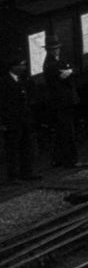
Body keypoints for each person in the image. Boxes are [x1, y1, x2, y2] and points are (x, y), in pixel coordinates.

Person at [2, 49, 40, 181]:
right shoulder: (5, 83)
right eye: (21, 65)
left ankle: (26, 172)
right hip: (11, 121)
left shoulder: (23, 80)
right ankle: (13, 176)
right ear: (14, 67)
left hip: (23, 119)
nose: (24, 67)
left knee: (26, 146)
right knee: (13, 149)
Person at [43, 39, 78, 168]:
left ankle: (60, 159)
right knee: (66, 131)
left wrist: (69, 71)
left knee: (63, 130)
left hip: (64, 100)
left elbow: (70, 70)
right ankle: (69, 160)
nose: (55, 50)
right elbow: (64, 75)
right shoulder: (51, 64)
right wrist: (69, 72)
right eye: (53, 49)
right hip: (61, 101)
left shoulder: (59, 60)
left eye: (57, 48)